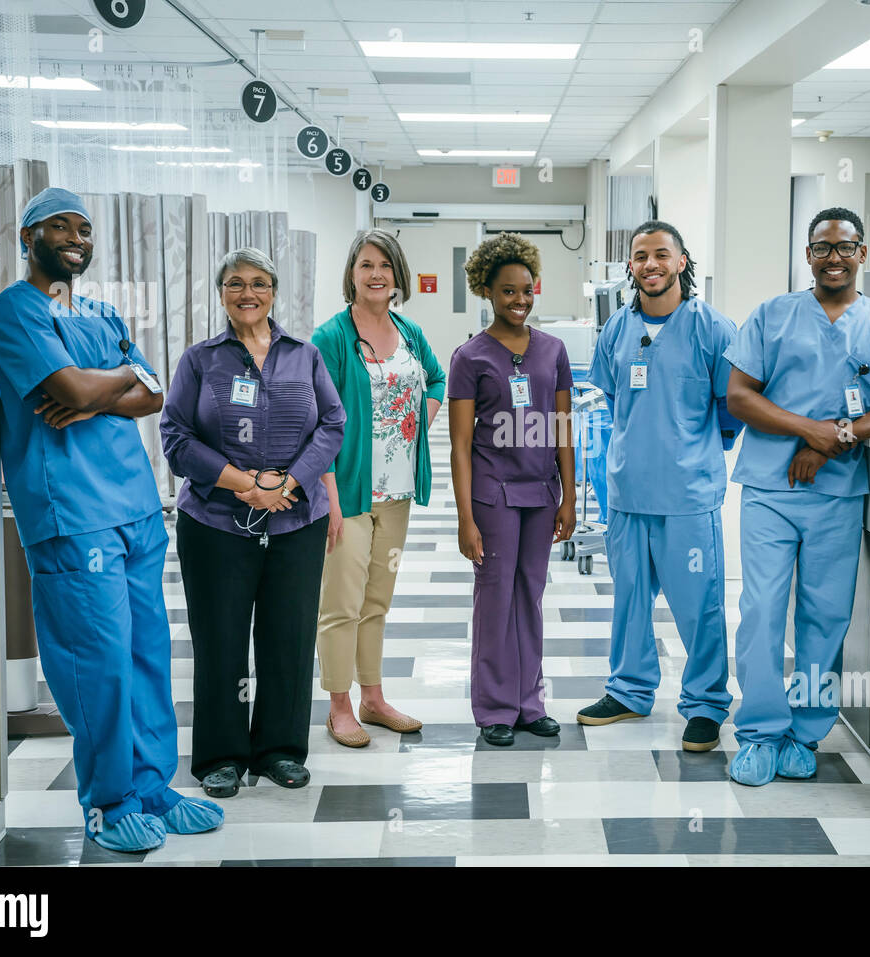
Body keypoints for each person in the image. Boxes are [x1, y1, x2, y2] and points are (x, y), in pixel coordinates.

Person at [0, 187, 221, 852]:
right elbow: (75, 388)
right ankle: (109, 800)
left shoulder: (100, 309)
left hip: (137, 507)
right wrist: (110, 380)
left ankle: (152, 786)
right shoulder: (14, 313)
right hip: (71, 513)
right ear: (30, 237)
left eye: (84, 228)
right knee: (99, 662)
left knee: (149, 653)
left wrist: (101, 388)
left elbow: (155, 393)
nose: (76, 238)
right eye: (59, 226)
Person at [724, 207, 870, 787]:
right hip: (770, 490)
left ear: (863, 252)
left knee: (826, 618)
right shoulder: (773, 315)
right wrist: (809, 430)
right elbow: (739, 397)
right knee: (761, 610)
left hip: (838, 493)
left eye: (845, 247)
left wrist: (831, 443)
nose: (834, 258)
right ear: (808, 255)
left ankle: (806, 731)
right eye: (822, 248)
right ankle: (758, 731)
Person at [160, 248, 346, 797]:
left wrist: (287, 485)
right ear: (221, 293)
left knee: (288, 639)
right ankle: (221, 756)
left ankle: (281, 750)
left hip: (295, 519)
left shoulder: (304, 355)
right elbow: (175, 437)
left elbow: (332, 424)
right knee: (220, 640)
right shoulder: (200, 360)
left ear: (274, 291)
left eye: (259, 283)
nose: (248, 293)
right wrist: (245, 484)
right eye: (236, 283)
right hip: (216, 522)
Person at [575, 220, 742, 752]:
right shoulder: (615, 331)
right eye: (640, 256)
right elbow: (615, 403)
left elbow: (730, 410)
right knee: (628, 601)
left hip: (688, 496)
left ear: (682, 261)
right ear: (630, 267)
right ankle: (628, 690)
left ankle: (706, 704)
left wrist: (688, 455)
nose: (650, 264)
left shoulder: (713, 329)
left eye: (661, 254)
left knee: (700, 604)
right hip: (626, 491)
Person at [311, 230, 446, 747]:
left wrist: (417, 419)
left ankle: (373, 697)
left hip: (398, 491)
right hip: (348, 490)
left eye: (385, 266)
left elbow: (435, 378)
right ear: (351, 274)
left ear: (398, 276)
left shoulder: (408, 331)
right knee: (341, 603)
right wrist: (328, 496)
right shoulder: (332, 338)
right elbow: (315, 418)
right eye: (366, 265)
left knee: (377, 601)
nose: (376, 274)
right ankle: (339, 706)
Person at [449, 234, 576, 746]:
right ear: (487, 291)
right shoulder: (470, 356)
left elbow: (563, 427)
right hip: (493, 495)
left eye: (527, 290)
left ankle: (529, 702)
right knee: (495, 598)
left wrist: (569, 495)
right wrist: (465, 518)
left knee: (531, 595)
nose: (520, 301)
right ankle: (495, 707)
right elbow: (460, 445)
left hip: (541, 495)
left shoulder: (553, 350)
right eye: (508, 292)